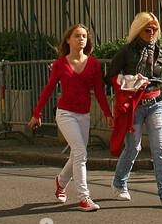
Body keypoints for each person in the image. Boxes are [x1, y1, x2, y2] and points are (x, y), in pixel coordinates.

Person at [27, 23, 112, 211]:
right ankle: (84, 197)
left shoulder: (94, 64)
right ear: (68, 40)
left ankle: (61, 181)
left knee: (76, 153)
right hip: (65, 113)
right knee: (81, 152)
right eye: (77, 36)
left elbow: (99, 91)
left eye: (84, 36)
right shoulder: (59, 64)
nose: (81, 39)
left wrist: (108, 113)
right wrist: (36, 113)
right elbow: (48, 89)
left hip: (84, 115)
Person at [109, 11, 162, 207]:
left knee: (160, 148)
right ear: (139, 30)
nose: (152, 33)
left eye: (155, 29)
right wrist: (130, 81)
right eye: (147, 29)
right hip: (134, 105)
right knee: (133, 147)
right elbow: (110, 76)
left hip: (156, 103)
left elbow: (159, 75)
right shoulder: (125, 52)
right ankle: (119, 183)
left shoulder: (160, 51)